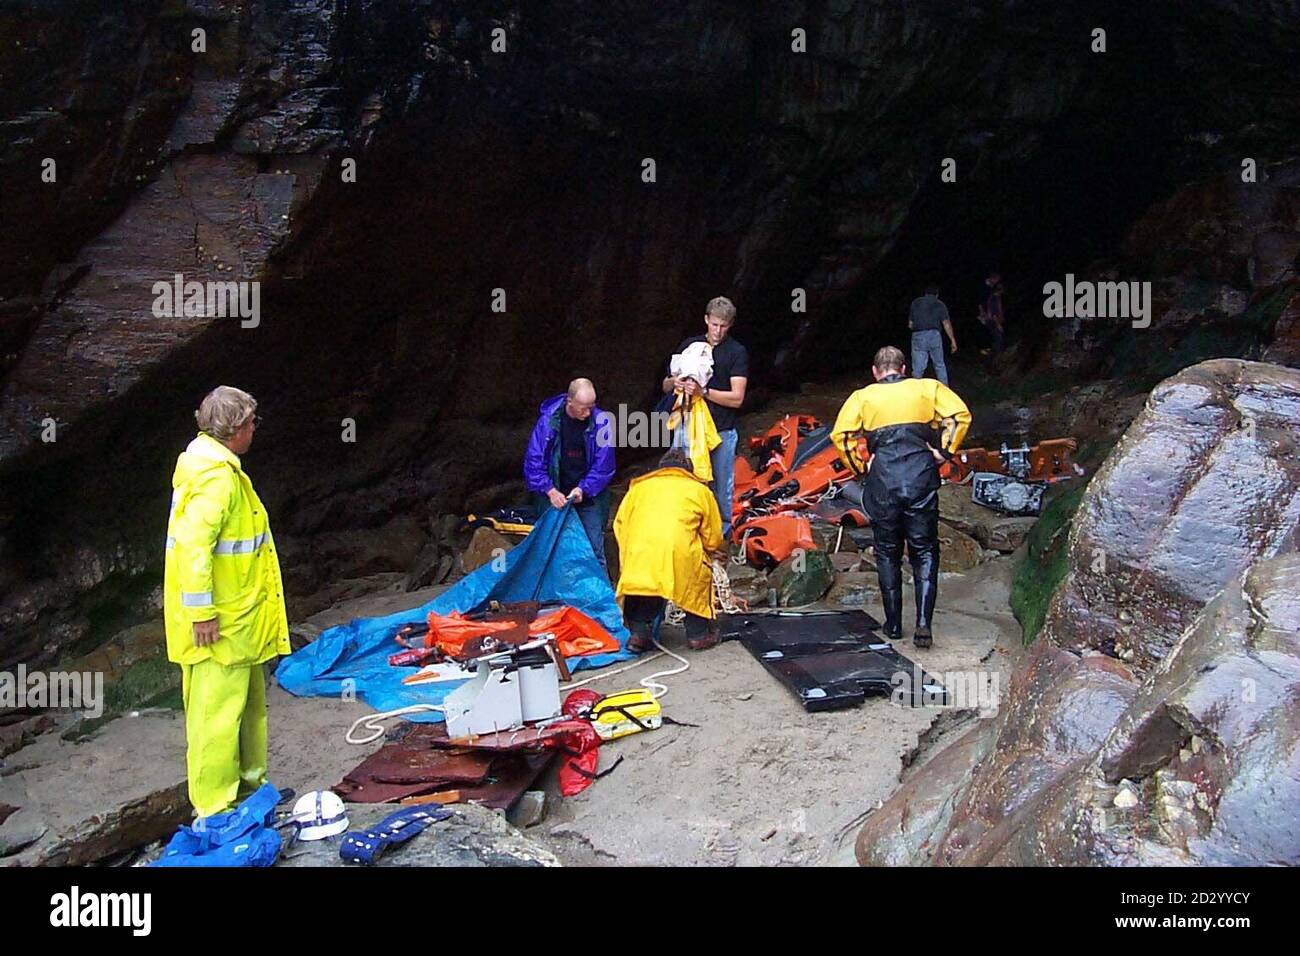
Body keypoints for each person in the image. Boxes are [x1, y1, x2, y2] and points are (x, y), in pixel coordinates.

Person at [164, 386, 289, 819]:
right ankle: (216, 809)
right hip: (220, 627)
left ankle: (251, 789)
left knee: (248, 710)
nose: (255, 429)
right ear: (235, 429)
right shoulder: (214, 478)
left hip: (240, 621)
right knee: (216, 721)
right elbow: (194, 548)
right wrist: (201, 614)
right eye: (252, 422)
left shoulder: (219, 470)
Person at [830, 347, 971, 648]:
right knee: (925, 550)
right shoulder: (927, 388)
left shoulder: (862, 397)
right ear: (904, 368)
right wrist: (944, 452)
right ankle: (923, 622)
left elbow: (840, 437)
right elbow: (961, 416)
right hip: (921, 478)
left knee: (887, 552)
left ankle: (893, 624)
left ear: (875, 371)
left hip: (884, 482)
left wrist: (860, 469)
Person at [613, 449, 725, 652]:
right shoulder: (699, 490)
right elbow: (712, 536)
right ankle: (698, 635)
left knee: (645, 582)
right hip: (679, 552)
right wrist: (711, 550)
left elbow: (620, 526)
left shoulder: (638, 489)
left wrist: (630, 550)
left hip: (639, 551)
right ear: (688, 471)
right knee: (696, 580)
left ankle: (638, 634)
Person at [661, 296, 748, 536]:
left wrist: (704, 392)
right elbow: (665, 386)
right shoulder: (690, 345)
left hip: (721, 430)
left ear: (730, 325)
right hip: (687, 425)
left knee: (720, 487)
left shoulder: (736, 352)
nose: (718, 331)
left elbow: (737, 398)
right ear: (706, 320)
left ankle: (721, 536)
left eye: (724, 326)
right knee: (682, 479)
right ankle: (684, 531)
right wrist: (674, 382)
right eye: (714, 324)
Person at [523, 378, 616, 570]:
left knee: (594, 550)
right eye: (583, 408)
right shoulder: (549, 421)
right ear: (569, 402)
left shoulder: (602, 423)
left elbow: (604, 466)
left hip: (587, 495)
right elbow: (534, 461)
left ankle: (598, 597)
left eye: (592, 406)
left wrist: (584, 489)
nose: (588, 412)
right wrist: (549, 490)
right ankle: (553, 598)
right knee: (551, 549)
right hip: (554, 495)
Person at [908, 285, 958, 385]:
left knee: (918, 369)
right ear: (937, 295)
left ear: (925, 293)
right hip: (934, 335)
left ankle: (916, 393)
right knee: (939, 364)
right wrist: (953, 340)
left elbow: (910, 324)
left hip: (918, 335)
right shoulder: (939, 304)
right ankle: (945, 390)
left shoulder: (916, 302)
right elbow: (946, 324)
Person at [977, 272, 1005, 355]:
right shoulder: (993, 298)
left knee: (995, 335)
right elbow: (992, 312)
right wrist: (982, 313)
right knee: (996, 335)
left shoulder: (993, 296)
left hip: (989, 317)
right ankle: (993, 352)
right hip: (989, 318)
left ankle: (991, 351)